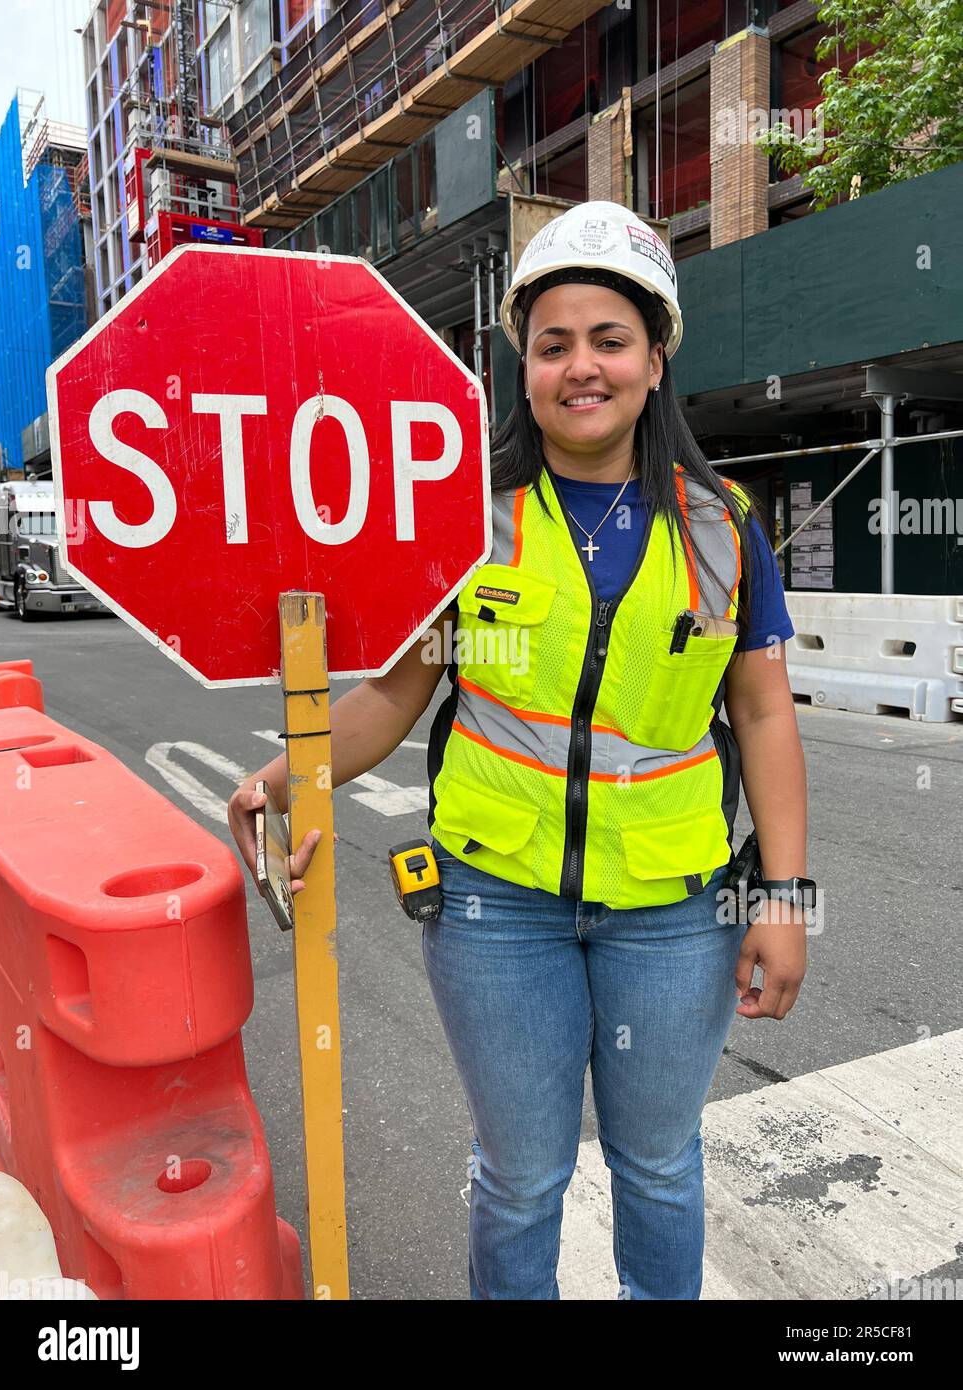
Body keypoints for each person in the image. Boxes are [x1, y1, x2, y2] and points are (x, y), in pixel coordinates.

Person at [228, 200, 812, 1301]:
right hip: (495, 907)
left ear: (654, 359)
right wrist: (276, 777)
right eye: (553, 344)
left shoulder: (722, 525)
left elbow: (766, 713)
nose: (580, 367)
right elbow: (399, 693)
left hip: (676, 910)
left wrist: (785, 896)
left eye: (609, 339)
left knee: (659, 1164)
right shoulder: (464, 520)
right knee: (519, 1176)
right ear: (523, 367)